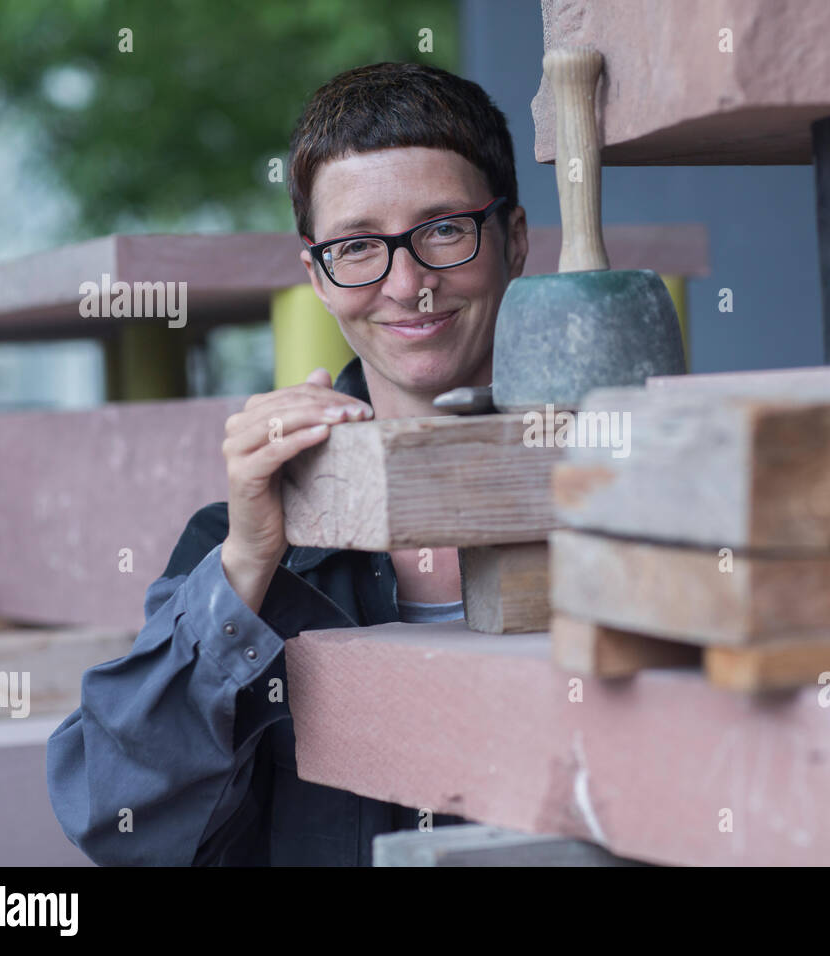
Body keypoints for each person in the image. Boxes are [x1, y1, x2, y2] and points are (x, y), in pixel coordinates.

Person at [47, 61, 530, 865]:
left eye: (445, 229)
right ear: (317, 276)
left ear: (512, 238)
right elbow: (114, 819)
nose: (408, 283)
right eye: (357, 246)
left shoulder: (608, 490)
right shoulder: (240, 542)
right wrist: (246, 566)